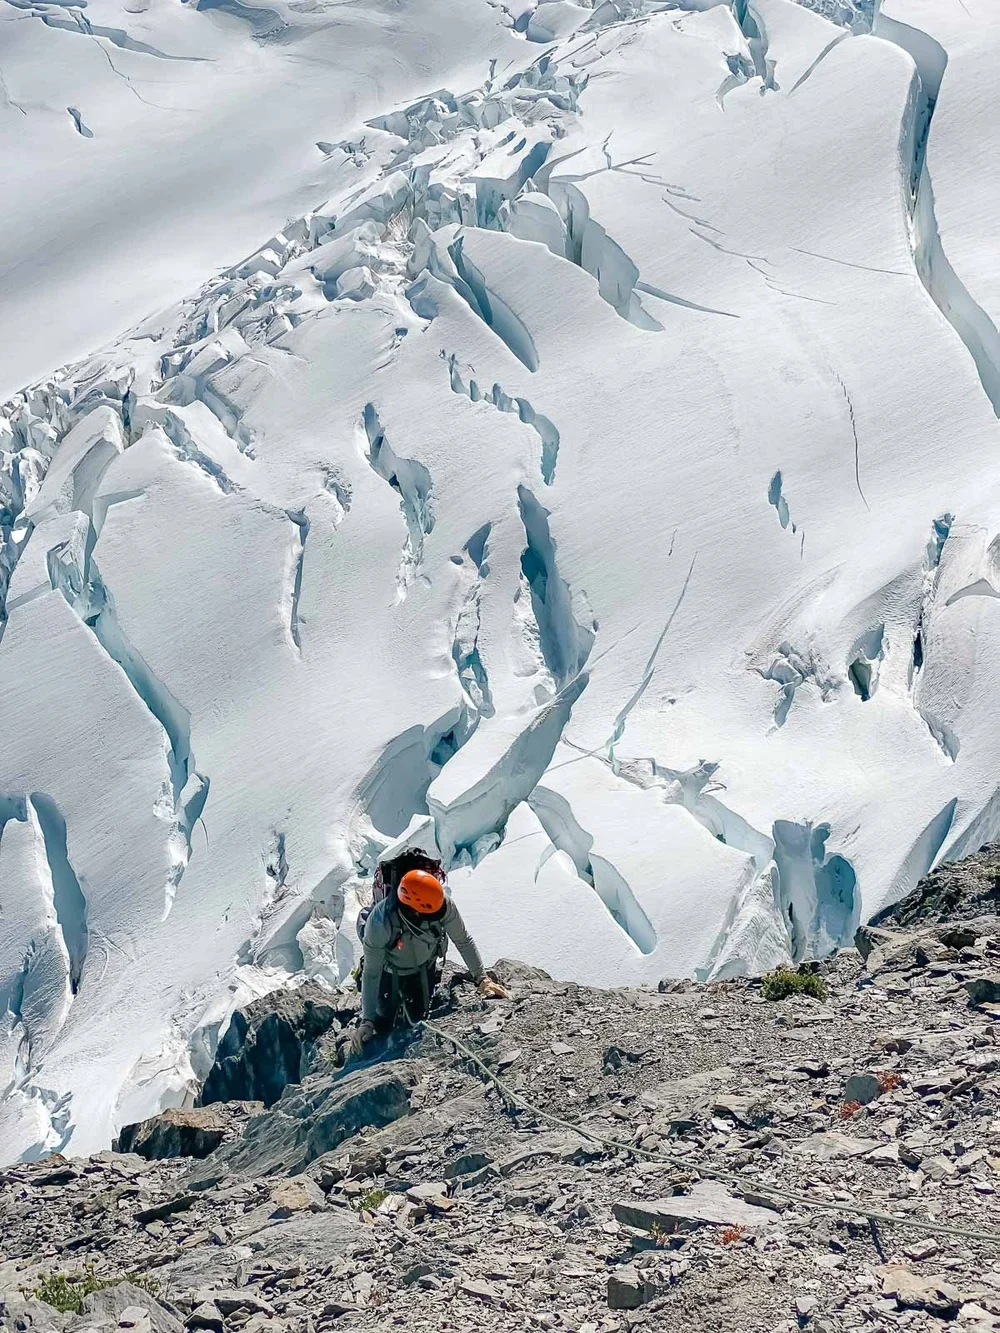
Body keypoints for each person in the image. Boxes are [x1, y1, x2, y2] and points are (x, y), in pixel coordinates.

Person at [349, 863, 507, 1055]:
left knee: (419, 1017)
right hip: (388, 973)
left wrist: (482, 979)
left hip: (424, 968)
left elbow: (463, 940)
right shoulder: (380, 921)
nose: (438, 915)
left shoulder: (443, 905)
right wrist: (367, 1021)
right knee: (382, 1024)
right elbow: (372, 973)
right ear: (414, 910)